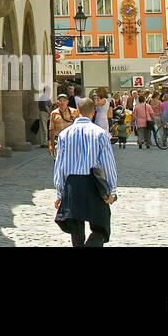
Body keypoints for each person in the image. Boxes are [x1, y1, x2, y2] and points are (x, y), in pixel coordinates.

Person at [53, 98, 118, 247]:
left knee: (76, 228)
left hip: (72, 184)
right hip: (93, 183)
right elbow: (108, 164)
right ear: (93, 112)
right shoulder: (100, 134)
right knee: (101, 227)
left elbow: (60, 166)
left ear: (77, 111)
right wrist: (112, 191)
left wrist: (59, 192)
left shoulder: (64, 135)